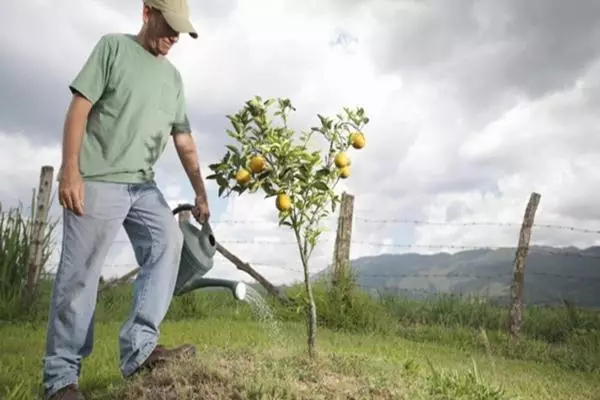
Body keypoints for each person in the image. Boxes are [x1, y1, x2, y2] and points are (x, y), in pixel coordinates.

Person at [42, 1, 210, 399]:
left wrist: (200, 189)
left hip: (142, 185)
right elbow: (79, 109)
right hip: (97, 178)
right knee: (80, 276)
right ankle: (60, 380)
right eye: (169, 26)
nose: (173, 37)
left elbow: (183, 141)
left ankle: (140, 349)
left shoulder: (173, 79)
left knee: (168, 242)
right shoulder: (112, 48)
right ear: (147, 13)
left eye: (180, 32)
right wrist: (71, 170)